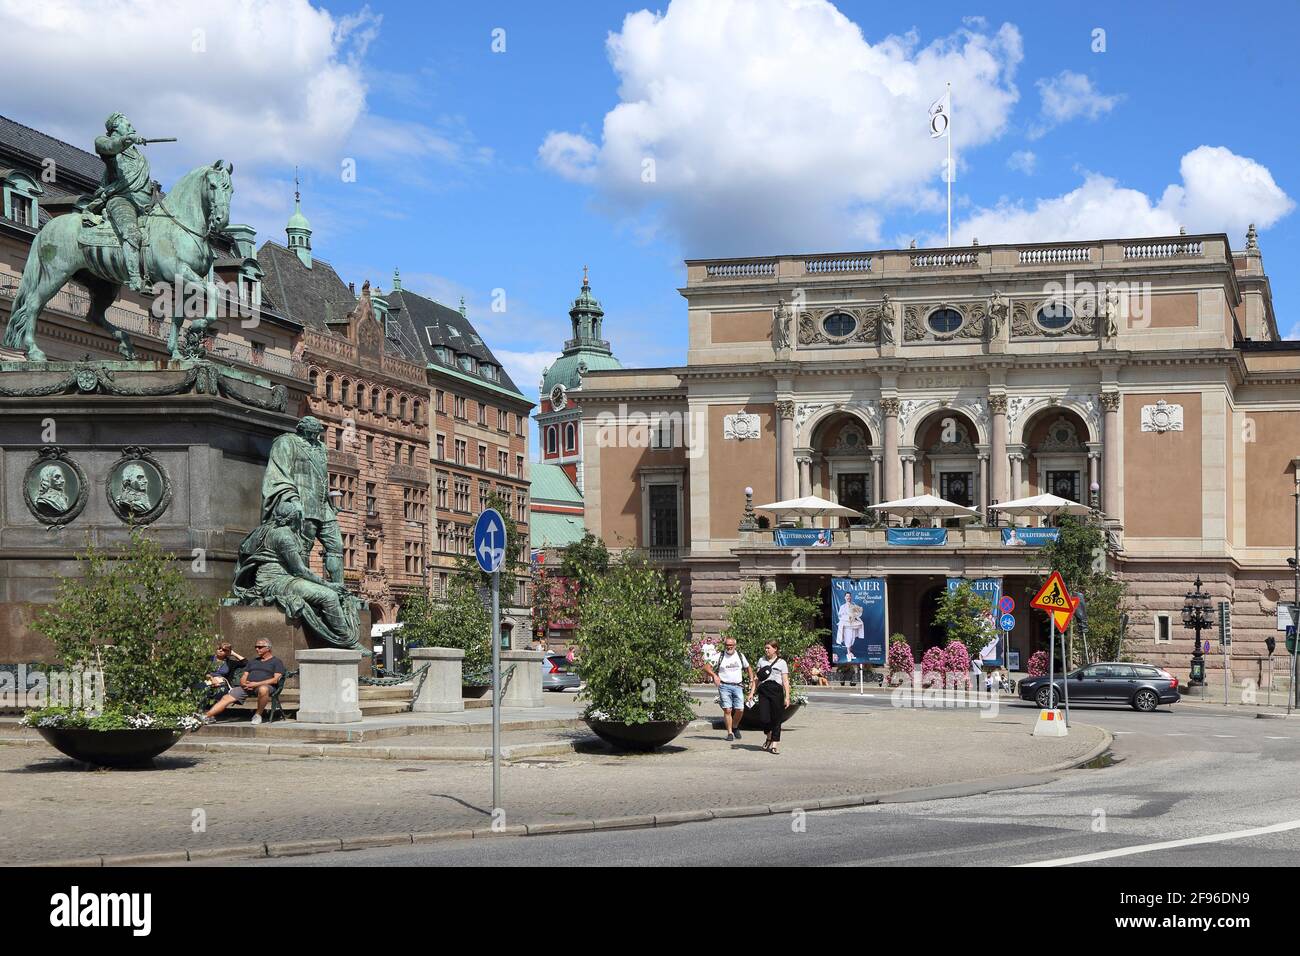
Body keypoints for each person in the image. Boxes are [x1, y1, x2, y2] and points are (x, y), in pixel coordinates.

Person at [204, 640, 285, 725]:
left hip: (266, 686)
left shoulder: (276, 662)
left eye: (260, 647)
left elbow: (276, 679)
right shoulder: (254, 661)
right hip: (247, 686)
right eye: (256, 647)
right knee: (226, 697)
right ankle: (206, 716)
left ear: (268, 648)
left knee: (263, 689)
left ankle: (257, 715)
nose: (257, 649)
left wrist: (256, 684)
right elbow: (244, 676)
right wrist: (243, 684)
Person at [703, 636, 754, 742]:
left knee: (740, 709)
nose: (729, 647)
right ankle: (730, 732)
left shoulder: (740, 655)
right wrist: (714, 675)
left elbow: (748, 667)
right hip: (724, 686)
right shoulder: (719, 656)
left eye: (731, 645)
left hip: (738, 686)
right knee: (728, 709)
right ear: (724, 645)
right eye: (727, 645)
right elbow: (706, 667)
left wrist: (751, 680)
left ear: (735, 645)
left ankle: (735, 726)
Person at [752, 640, 790, 754]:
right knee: (764, 718)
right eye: (765, 648)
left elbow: (785, 680)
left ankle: (774, 744)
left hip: (776, 691)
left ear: (775, 649)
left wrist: (787, 697)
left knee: (777, 718)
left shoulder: (782, 663)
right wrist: (751, 692)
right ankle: (768, 736)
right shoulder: (761, 660)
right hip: (764, 690)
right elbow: (756, 678)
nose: (766, 650)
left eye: (768, 648)